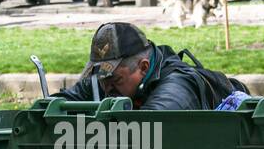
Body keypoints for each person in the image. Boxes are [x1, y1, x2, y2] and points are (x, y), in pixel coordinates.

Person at [53, 22, 238, 110]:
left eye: (115, 79)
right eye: (102, 78)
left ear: (143, 67)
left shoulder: (178, 85)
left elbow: (149, 131)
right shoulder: (107, 83)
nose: (106, 88)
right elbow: (58, 104)